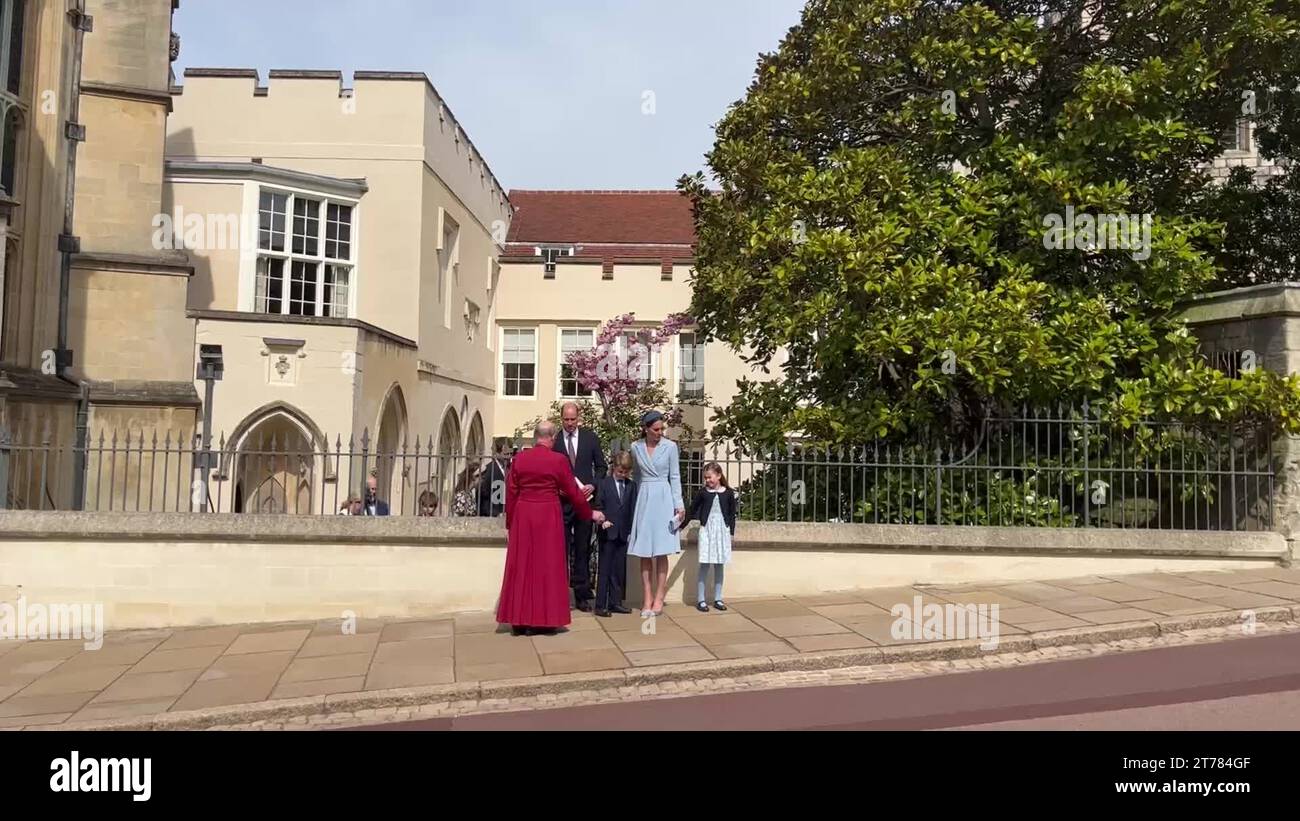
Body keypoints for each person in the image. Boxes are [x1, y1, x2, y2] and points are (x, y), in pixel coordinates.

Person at [497, 420, 605, 636]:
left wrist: (510, 524)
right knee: (547, 567)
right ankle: (544, 621)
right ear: (553, 437)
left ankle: (520, 620)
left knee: (523, 567)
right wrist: (589, 513)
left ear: (536, 436)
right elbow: (574, 493)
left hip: (524, 515)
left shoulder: (519, 459)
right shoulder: (558, 460)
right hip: (548, 515)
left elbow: (511, 493)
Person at [627, 409, 684, 617]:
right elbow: (636, 478)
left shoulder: (670, 447)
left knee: (661, 551)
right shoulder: (636, 447)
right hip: (644, 497)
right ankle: (647, 597)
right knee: (644, 551)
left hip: (663, 496)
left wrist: (679, 504)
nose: (660, 432)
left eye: (662, 429)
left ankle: (659, 597)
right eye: (656, 429)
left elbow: (675, 476)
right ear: (646, 429)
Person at [552, 401, 608, 611]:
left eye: (573, 419)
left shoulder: (590, 438)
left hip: (585, 503)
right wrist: (557, 489)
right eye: (566, 420)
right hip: (562, 504)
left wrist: (593, 485)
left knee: (583, 549)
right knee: (561, 550)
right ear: (561, 419)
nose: (569, 423)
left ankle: (582, 593)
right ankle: (560, 595)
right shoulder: (555, 440)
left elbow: (602, 467)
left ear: (579, 418)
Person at [684, 462, 736, 612]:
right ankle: (701, 599)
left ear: (719, 475)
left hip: (722, 531)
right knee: (705, 564)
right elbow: (692, 510)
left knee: (719, 565)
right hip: (707, 530)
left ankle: (718, 598)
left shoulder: (728, 493)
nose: (707, 480)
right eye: (705, 478)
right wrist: (680, 525)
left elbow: (732, 514)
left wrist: (731, 532)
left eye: (710, 477)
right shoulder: (703, 493)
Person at [591, 451, 637, 617]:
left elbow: (632, 509)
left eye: (625, 472)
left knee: (619, 569)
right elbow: (598, 505)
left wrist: (632, 530)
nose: (622, 475)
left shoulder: (631, 486)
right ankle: (600, 604)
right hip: (607, 531)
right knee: (605, 569)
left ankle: (615, 602)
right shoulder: (604, 484)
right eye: (620, 472)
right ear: (613, 468)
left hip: (623, 533)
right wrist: (603, 521)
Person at [476, 440, 511, 517]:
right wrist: (495, 513)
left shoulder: (512, 469)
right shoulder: (488, 471)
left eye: (510, 454)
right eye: (505, 454)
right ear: (497, 454)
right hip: (493, 517)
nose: (508, 457)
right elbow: (483, 498)